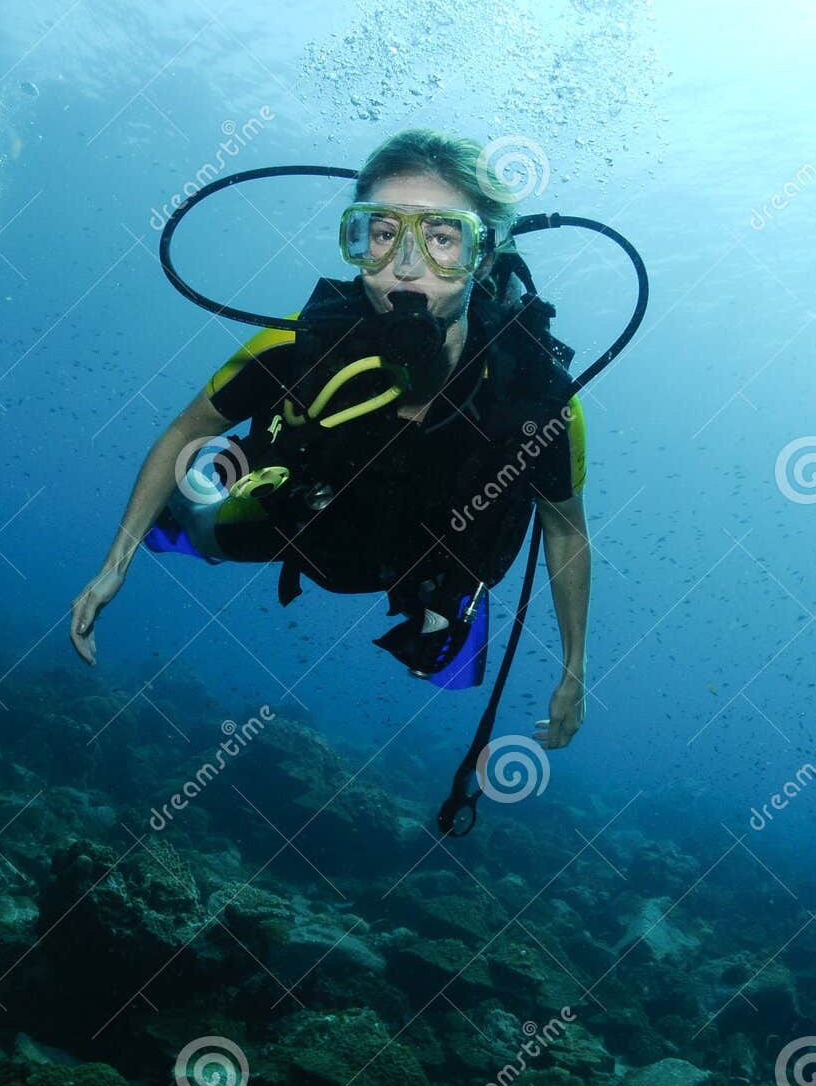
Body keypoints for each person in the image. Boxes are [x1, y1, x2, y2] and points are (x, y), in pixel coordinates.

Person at [69, 128, 589, 750]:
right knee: (204, 526)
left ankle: (437, 617)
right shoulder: (292, 353)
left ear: (483, 257)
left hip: (431, 555)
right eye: (382, 233)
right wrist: (113, 565)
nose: (404, 267)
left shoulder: (540, 402)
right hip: (307, 527)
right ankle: (204, 503)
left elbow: (564, 529)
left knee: (438, 640)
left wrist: (573, 670)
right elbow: (189, 428)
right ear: (356, 241)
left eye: (443, 237)